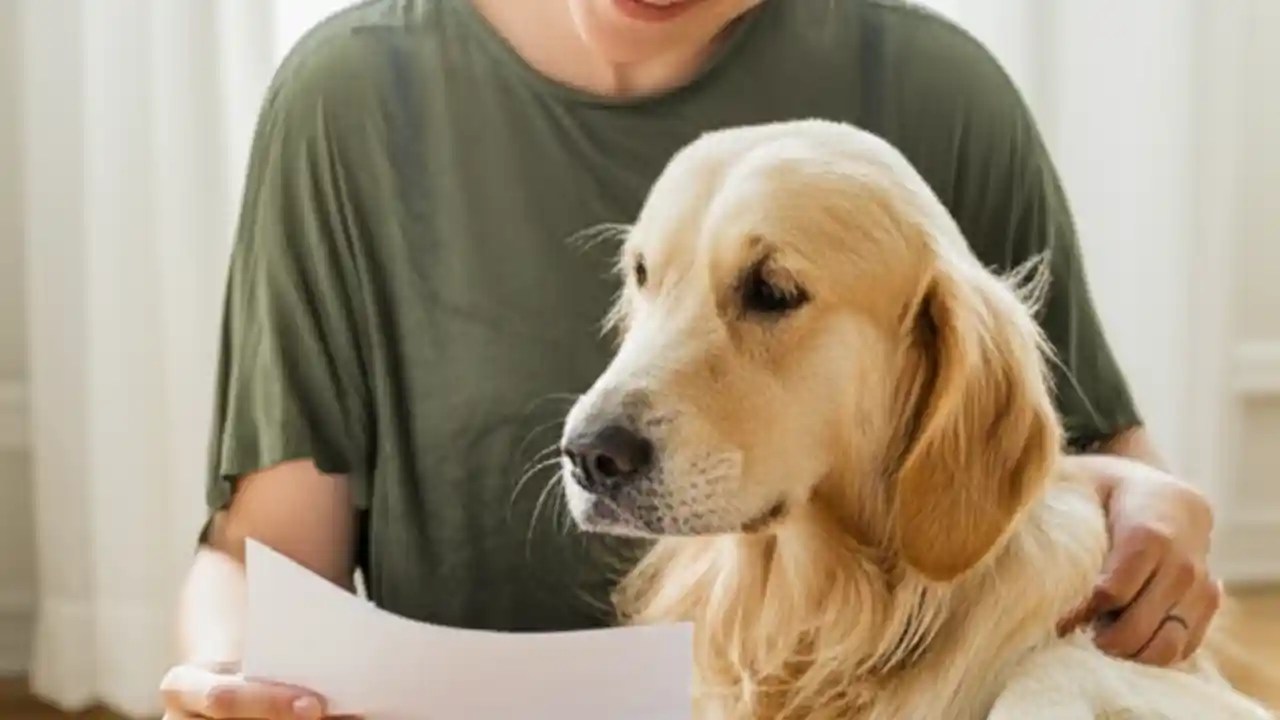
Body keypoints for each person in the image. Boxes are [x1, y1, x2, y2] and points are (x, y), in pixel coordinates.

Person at [159, 1, 1221, 718]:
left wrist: (1152, 512)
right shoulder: (350, 101)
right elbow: (267, 562)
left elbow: (1050, 484)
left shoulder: (938, 90)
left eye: (770, 295)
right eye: (639, 281)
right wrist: (225, 677)